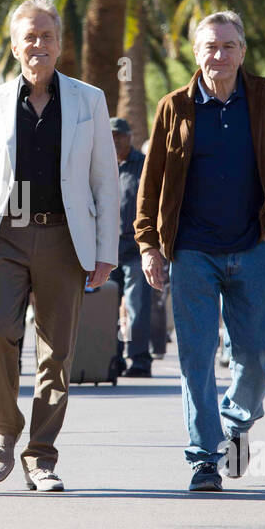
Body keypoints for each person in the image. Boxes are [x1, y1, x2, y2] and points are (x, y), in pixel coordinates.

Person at [0, 0, 120, 492]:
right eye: (29, 37)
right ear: (13, 46)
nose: (38, 45)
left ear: (60, 44)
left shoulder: (89, 101)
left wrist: (106, 250)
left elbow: (105, 180)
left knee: (57, 353)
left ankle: (41, 456)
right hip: (5, 234)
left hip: (65, 239)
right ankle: (6, 430)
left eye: (47, 36)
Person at [134, 10, 265, 492]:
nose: (219, 55)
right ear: (195, 52)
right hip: (192, 252)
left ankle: (236, 424)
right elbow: (152, 185)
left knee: (254, 352)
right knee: (196, 356)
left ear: (243, 51)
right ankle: (204, 458)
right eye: (210, 46)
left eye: (228, 46)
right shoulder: (174, 108)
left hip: (252, 247)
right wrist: (149, 245)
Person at [110, 116, 153, 378]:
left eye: (119, 136)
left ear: (129, 137)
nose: (115, 141)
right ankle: (110, 360)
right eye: (111, 136)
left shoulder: (144, 165)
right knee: (105, 310)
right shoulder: (101, 165)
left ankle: (139, 361)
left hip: (136, 250)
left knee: (137, 309)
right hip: (106, 252)